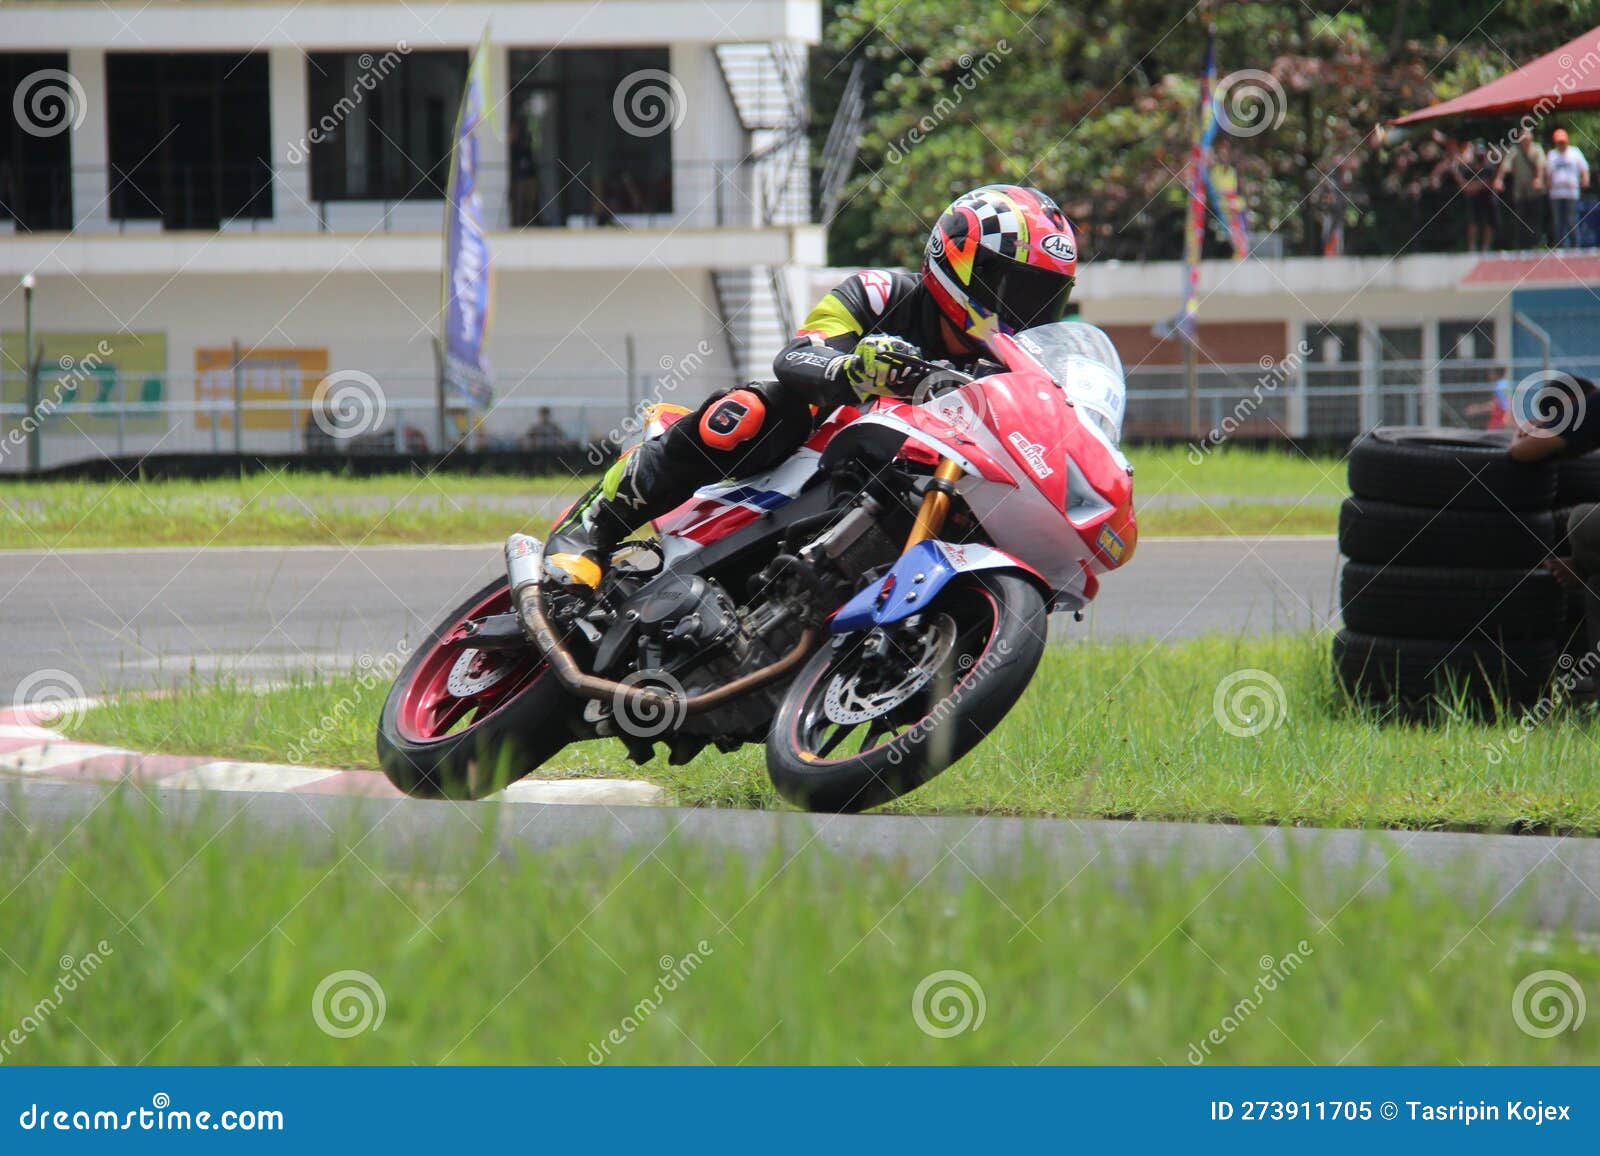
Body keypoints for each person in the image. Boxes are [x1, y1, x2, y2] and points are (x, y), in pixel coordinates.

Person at [542, 184, 1080, 589]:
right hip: (821, 453)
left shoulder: (1021, 371)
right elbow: (797, 355)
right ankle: (592, 527)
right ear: (956, 260)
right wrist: (853, 373)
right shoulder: (881, 293)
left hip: (924, 477)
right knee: (752, 410)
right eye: (1012, 289)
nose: (1024, 314)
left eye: (1044, 300)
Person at [1494, 133, 1546, 248]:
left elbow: (1540, 165)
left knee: (1535, 218)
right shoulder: (1514, 150)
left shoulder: (1536, 149)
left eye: (1527, 138)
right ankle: (1522, 245)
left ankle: (1536, 244)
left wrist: (1539, 178)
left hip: (1534, 191)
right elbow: (1505, 165)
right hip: (1520, 191)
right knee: (1520, 219)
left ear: (1531, 138)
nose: (1525, 141)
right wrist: (1499, 179)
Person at [1546, 128, 1590, 248]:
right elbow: (1548, 173)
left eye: (1563, 142)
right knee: (1558, 222)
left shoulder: (1574, 153)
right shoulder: (1552, 155)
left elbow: (1584, 168)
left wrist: (1585, 179)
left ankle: (1575, 246)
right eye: (1559, 142)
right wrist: (1548, 186)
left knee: (1572, 220)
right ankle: (1560, 247)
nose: (1561, 145)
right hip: (1556, 193)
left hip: (1571, 192)